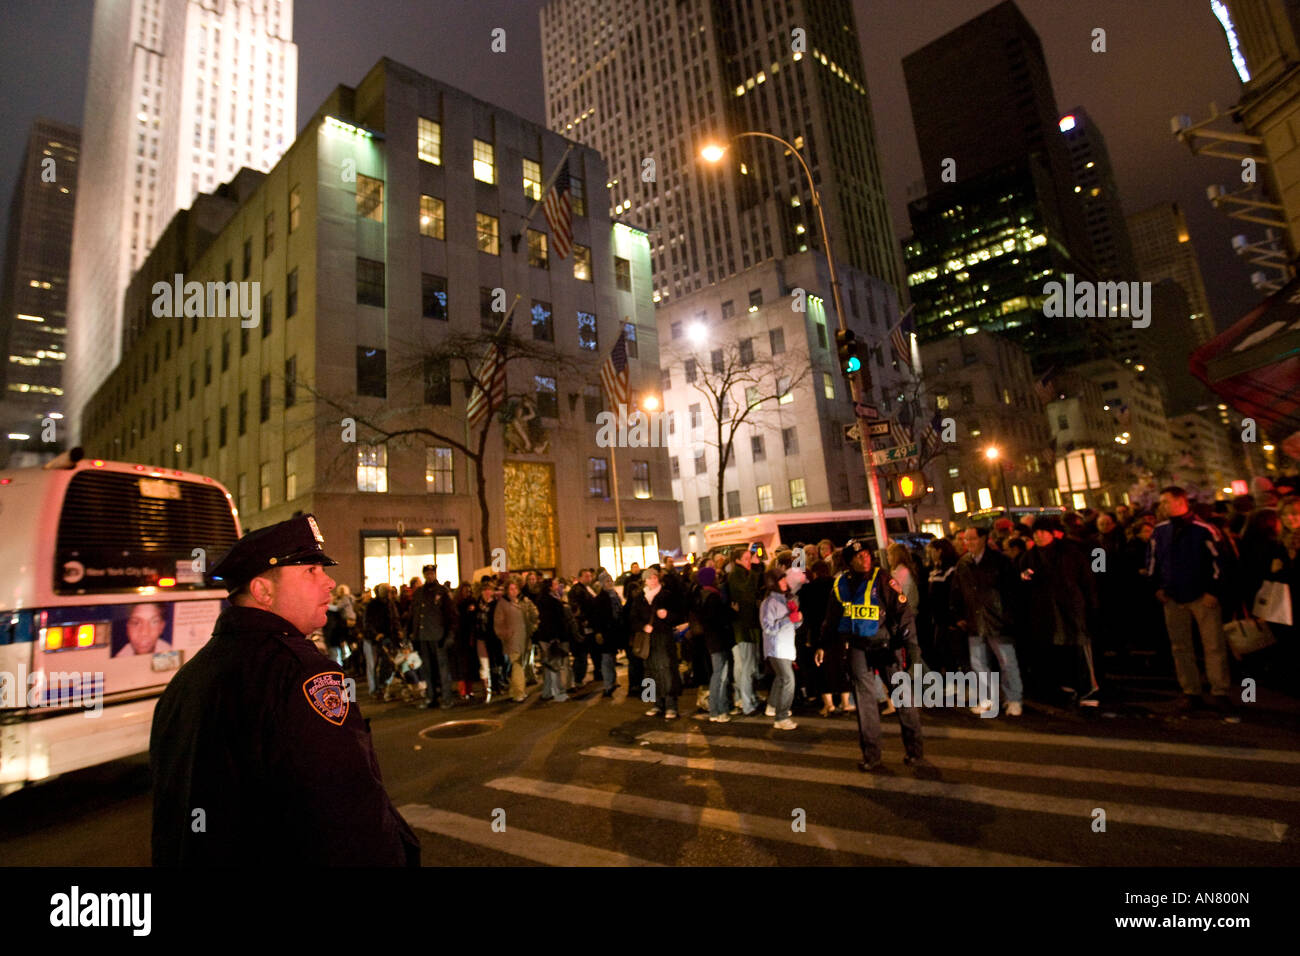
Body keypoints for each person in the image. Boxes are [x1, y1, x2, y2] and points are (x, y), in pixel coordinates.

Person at [150, 515, 419, 866]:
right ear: (264, 590)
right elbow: (350, 817)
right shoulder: (304, 676)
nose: (329, 581)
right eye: (311, 571)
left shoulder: (187, 680)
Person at [821, 540, 927, 771]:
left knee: (901, 699)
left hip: (887, 646)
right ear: (849, 561)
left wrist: (909, 645)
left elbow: (903, 612)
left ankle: (915, 752)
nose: (865, 558)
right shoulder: (841, 584)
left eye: (867, 554)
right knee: (865, 703)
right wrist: (824, 644)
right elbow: (832, 617)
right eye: (859, 557)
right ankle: (872, 756)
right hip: (858, 647)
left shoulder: (884, 578)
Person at [1148, 486, 1233, 714]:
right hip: (1173, 596)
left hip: (1202, 596)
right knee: (1180, 646)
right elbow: (1153, 561)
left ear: (1179, 501)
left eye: (1165, 501)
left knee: (1213, 645)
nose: (1162, 506)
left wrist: (1213, 591)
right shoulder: (1160, 531)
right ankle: (1190, 690)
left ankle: (1220, 691)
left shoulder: (1203, 529)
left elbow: (1220, 561)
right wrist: (1158, 587)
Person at [1020, 516, 1100, 709]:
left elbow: (1087, 580)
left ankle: (1089, 689)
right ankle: (1067, 687)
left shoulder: (1071, 552)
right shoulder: (1030, 556)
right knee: (1057, 651)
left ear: (1052, 533)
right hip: (1045, 611)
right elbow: (1023, 580)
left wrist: (1092, 606)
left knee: (1079, 649)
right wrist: (1026, 577)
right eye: (1036, 532)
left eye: (1042, 531)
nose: (1039, 535)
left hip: (1072, 609)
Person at [950, 526, 1024, 717]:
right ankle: (988, 698)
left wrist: (1008, 615)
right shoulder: (964, 563)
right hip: (974, 619)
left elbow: (1012, 591)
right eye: (966, 540)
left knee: (1006, 661)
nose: (968, 543)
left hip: (997, 620)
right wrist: (958, 615)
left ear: (983, 539)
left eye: (972, 539)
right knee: (979, 662)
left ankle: (1014, 698)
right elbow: (957, 592)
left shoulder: (1000, 561)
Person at [629, 567, 683, 718]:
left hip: (664, 639)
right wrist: (642, 626)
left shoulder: (666, 595)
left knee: (667, 671)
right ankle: (655, 704)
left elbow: (679, 616)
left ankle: (671, 705)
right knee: (650, 672)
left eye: (655, 577)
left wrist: (667, 615)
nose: (653, 580)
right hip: (648, 642)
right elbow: (632, 619)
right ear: (645, 580)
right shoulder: (639, 598)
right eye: (650, 578)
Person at [410, 564, 457, 710]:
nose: (430, 576)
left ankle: (447, 698)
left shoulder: (442, 591)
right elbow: (414, 615)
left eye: (432, 573)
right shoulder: (419, 592)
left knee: (443, 670)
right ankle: (431, 697)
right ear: (424, 575)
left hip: (439, 637)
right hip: (423, 637)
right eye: (427, 573)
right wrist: (411, 634)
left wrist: (450, 635)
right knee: (427, 670)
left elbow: (451, 615)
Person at [760, 567, 801, 730]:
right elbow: (767, 627)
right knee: (788, 680)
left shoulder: (787, 599)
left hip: (787, 645)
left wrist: (797, 619)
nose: (785, 582)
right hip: (776, 647)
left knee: (781, 678)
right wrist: (787, 619)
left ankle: (772, 706)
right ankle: (781, 717)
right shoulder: (769, 602)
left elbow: (793, 624)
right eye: (781, 580)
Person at [692, 565, 733, 721]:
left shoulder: (702, 595)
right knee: (721, 675)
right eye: (714, 575)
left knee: (717, 675)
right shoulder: (713, 597)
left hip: (711, 641)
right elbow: (719, 619)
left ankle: (715, 710)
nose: (717, 577)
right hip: (719, 641)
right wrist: (732, 611)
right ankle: (719, 711)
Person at [727, 547, 762, 716]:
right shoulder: (736, 576)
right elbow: (747, 594)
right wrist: (754, 571)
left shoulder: (745, 575)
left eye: (751, 558)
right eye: (747, 558)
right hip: (744, 628)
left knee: (747, 666)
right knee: (745, 667)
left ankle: (745, 698)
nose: (750, 561)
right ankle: (746, 702)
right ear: (738, 561)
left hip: (749, 626)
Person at [494, 579, 533, 703]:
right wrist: (506, 635)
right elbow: (498, 623)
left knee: (520, 665)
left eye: (515, 588)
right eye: (511, 589)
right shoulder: (502, 604)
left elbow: (532, 615)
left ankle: (514, 690)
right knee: (518, 665)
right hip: (512, 640)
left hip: (524, 639)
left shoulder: (523, 602)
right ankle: (519, 693)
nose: (513, 591)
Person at [363, 583, 401, 697]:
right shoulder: (372, 605)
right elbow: (368, 622)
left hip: (387, 638)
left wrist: (398, 630)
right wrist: (375, 634)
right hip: (373, 639)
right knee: (373, 665)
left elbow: (395, 619)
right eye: (389, 592)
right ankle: (374, 689)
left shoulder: (390, 604)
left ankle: (383, 687)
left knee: (386, 663)